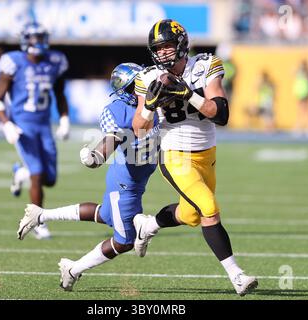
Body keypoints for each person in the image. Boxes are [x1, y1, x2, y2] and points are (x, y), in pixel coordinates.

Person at [131, 19, 258, 296]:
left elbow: (221, 114)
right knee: (208, 207)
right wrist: (149, 107)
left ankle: (147, 225)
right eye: (158, 48)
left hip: (206, 153)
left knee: (190, 215)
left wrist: (189, 94)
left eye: (166, 46)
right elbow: (139, 130)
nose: (162, 53)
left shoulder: (204, 66)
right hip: (174, 154)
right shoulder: (148, 78)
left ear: (180, 45)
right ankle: (237, 275)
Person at [17, 62, 166, 291]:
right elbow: (112, 139)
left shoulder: (151, 104)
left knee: (104, 214)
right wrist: (96, 156)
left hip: (134, 178)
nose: (144, 89)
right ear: (128, 89)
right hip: (125, 184)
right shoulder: (119, 110)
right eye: (138, 85)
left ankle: (40, 215)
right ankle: (74, 269)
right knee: (124, 242)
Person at [0, 22, 70, 239]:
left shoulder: (55, 61)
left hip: (44, 124)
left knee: (50, 179)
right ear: (25, 40)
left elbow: (60, 94)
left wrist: (64, 119)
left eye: (41, 38)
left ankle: (20, 172)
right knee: (37, 175)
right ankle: (39, 222)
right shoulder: (13, 62)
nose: (38, 43)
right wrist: (6, 123)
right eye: (34, 39)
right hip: (22, 125)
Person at [293, 60, 308, 138]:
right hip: (300, 92)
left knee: (306, 110)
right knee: (300, 110)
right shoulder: (299, 72)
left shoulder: (307, 72)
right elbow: (293, 72)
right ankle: (299, 128)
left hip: (305, 92)